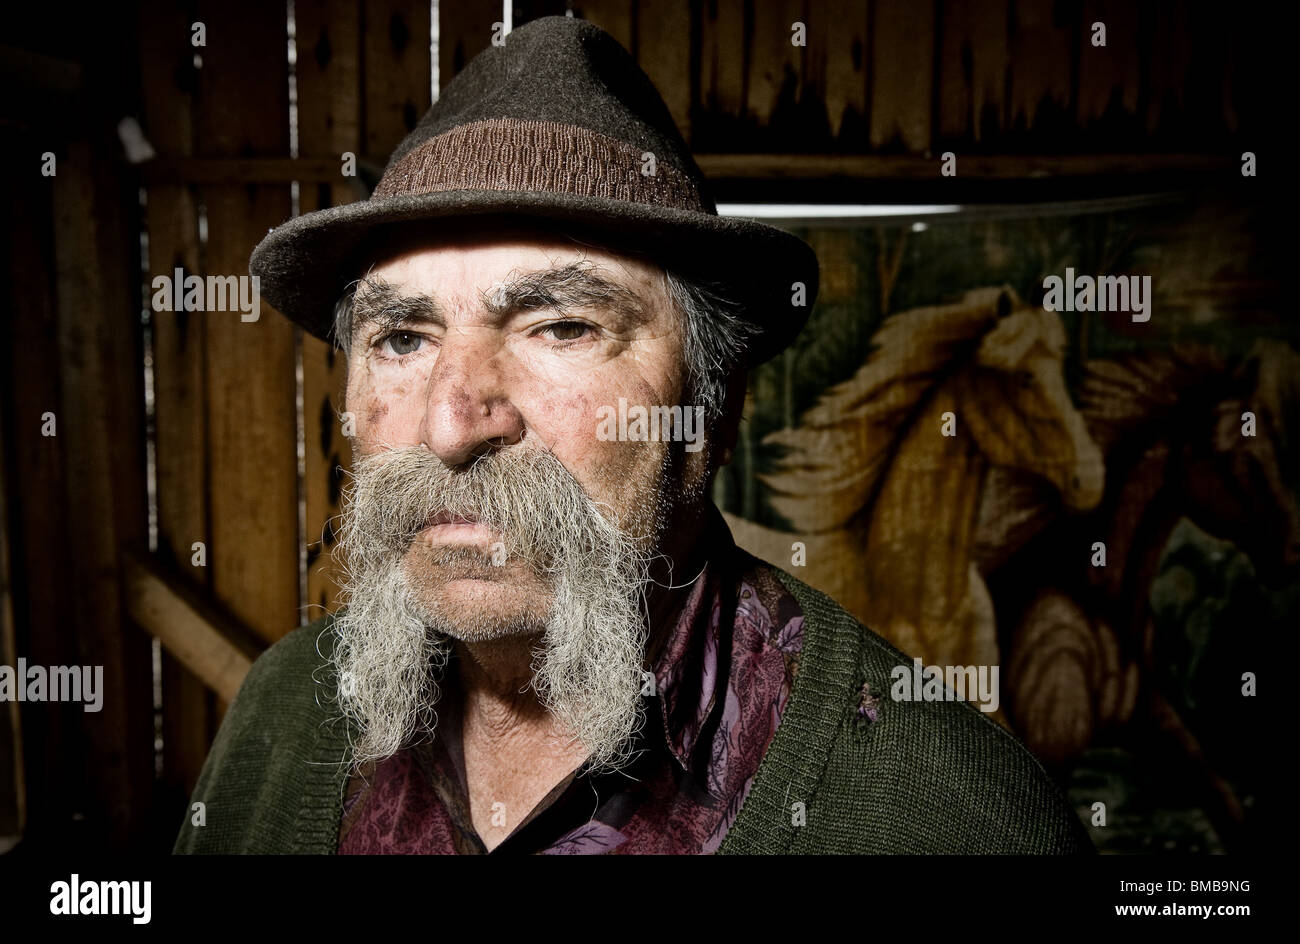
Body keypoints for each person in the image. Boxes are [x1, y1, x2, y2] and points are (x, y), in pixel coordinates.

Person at [174, 15, 1090, 854]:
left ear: (711, 412)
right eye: (403, 337)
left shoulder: (948, 820)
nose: (452, 424)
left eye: (561, 327)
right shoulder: (283, 715)